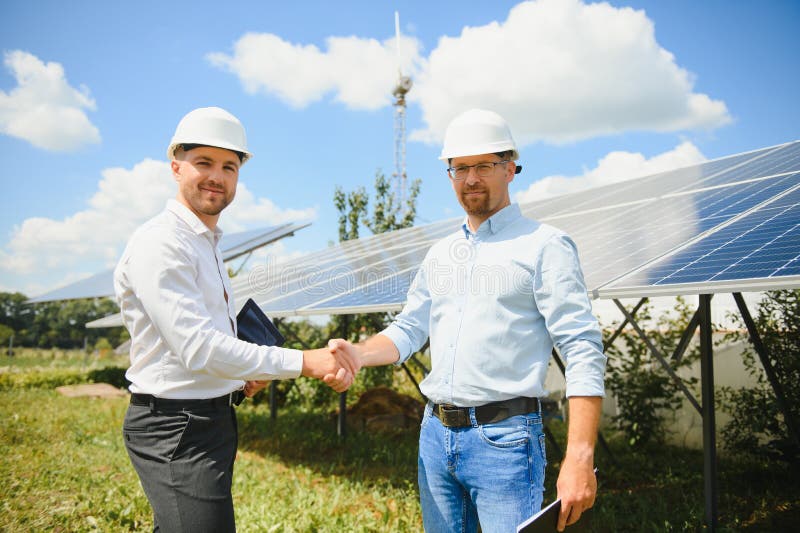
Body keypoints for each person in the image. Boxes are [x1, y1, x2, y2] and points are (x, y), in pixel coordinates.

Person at [330, 109, 606, 532]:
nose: (471, 179)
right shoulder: (440, 254)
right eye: (460, 168)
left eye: (484, 166)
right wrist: (359, 353)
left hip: (506, 442)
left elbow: (582, 348)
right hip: (434, 438)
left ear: (511, 168)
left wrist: (580, 457)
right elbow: (409, 329)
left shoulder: (545, 246)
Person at [114, 106, 359, 533]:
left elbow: (213, 337)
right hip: (176, 426)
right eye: (203, 162)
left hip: (208, 419)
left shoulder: (205, 242)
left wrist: (243, 374)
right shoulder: (162, 243)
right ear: (176, 167)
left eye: (229, 166)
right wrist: (304, 361)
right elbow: (199, 349)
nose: (217, 176)